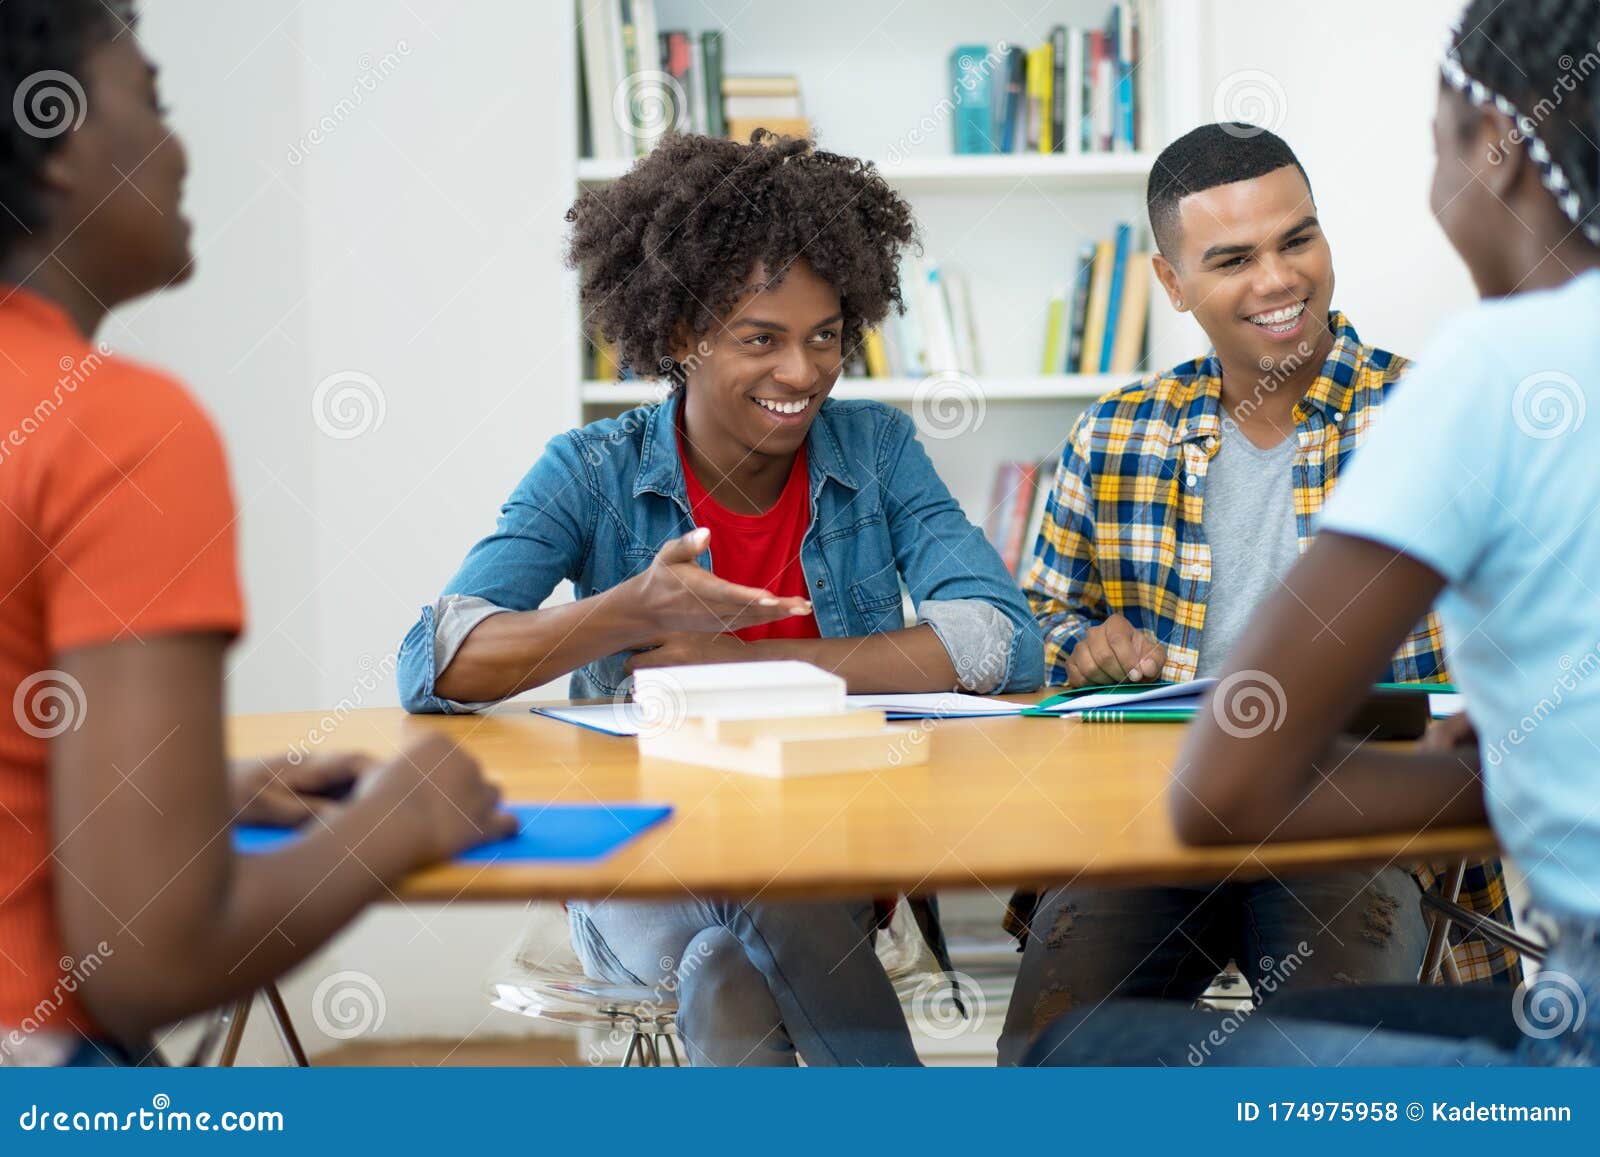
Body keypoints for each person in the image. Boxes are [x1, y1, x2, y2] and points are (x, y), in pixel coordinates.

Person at [1029, 0, 1600, 1067]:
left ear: (1499, 156)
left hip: (1343, 825)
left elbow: (1233, 786)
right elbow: (1043, 618)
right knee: (1049, 1027)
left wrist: (1497, 764)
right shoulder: (1115, 432)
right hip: (1152, 818)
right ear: (1172, 282)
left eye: (1299, 239)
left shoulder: (1450, 391)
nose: (1279, 279)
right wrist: (1081, 642)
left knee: (1126, 1056)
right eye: (1234, 258)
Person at [397, 130, 1045, 1065]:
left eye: (826, 337)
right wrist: (630, 612)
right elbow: (439, 660)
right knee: (742, 920)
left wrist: (756, 667)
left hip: (837, 846)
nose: (804, 372)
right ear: (678, 335)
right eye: (762, 339)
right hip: (651, 859)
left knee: (729, 961)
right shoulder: (591, 472)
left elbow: (998, 638)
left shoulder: (876, 451)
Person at [0, 0, 513, 1067]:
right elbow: (148, 954)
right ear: (49, 147)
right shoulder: (118, 427)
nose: (180, 148)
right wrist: (397, 821)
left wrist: (177, 797)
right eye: (153, 99)